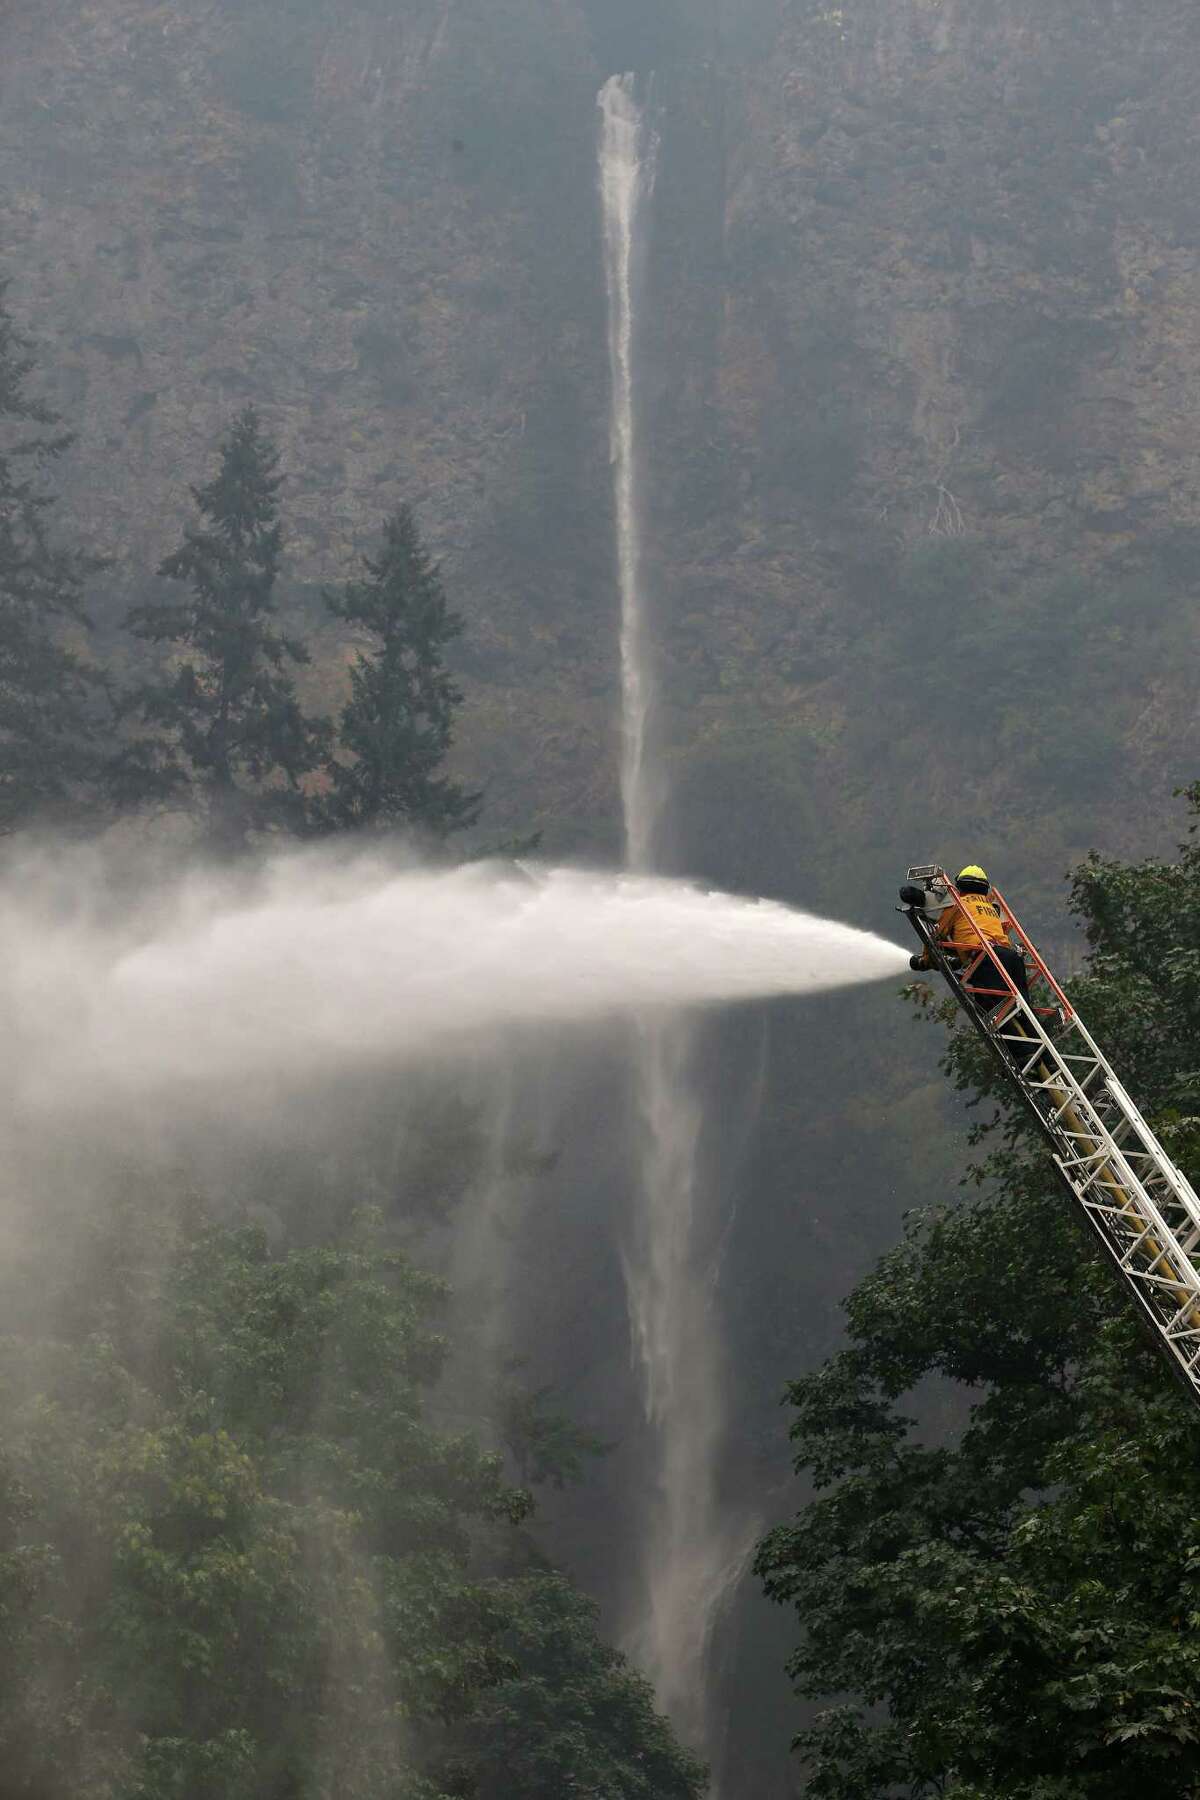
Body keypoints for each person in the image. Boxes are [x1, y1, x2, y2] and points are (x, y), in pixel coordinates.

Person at [909, 864, 1031, 1010]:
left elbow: (936, 936)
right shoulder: (991, 907)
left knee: (994, 1011)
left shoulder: (958, 905)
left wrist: (925, 961)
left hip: (986, 959)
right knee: (1023, 1011)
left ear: (960, 886)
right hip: (1011, 957)